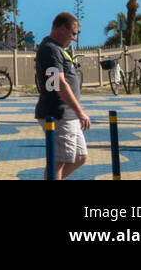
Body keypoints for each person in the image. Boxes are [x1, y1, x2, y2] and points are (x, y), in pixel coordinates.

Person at [33, 12, 91, 179]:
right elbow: (57, 83)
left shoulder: (59, 49)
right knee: (59, 161)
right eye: (73, 33)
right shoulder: (50, 49)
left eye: (77, 34)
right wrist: (80, 111)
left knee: (79, 157)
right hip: (58, 114)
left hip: (68, 114)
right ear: (60, 29)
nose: (74, 38)